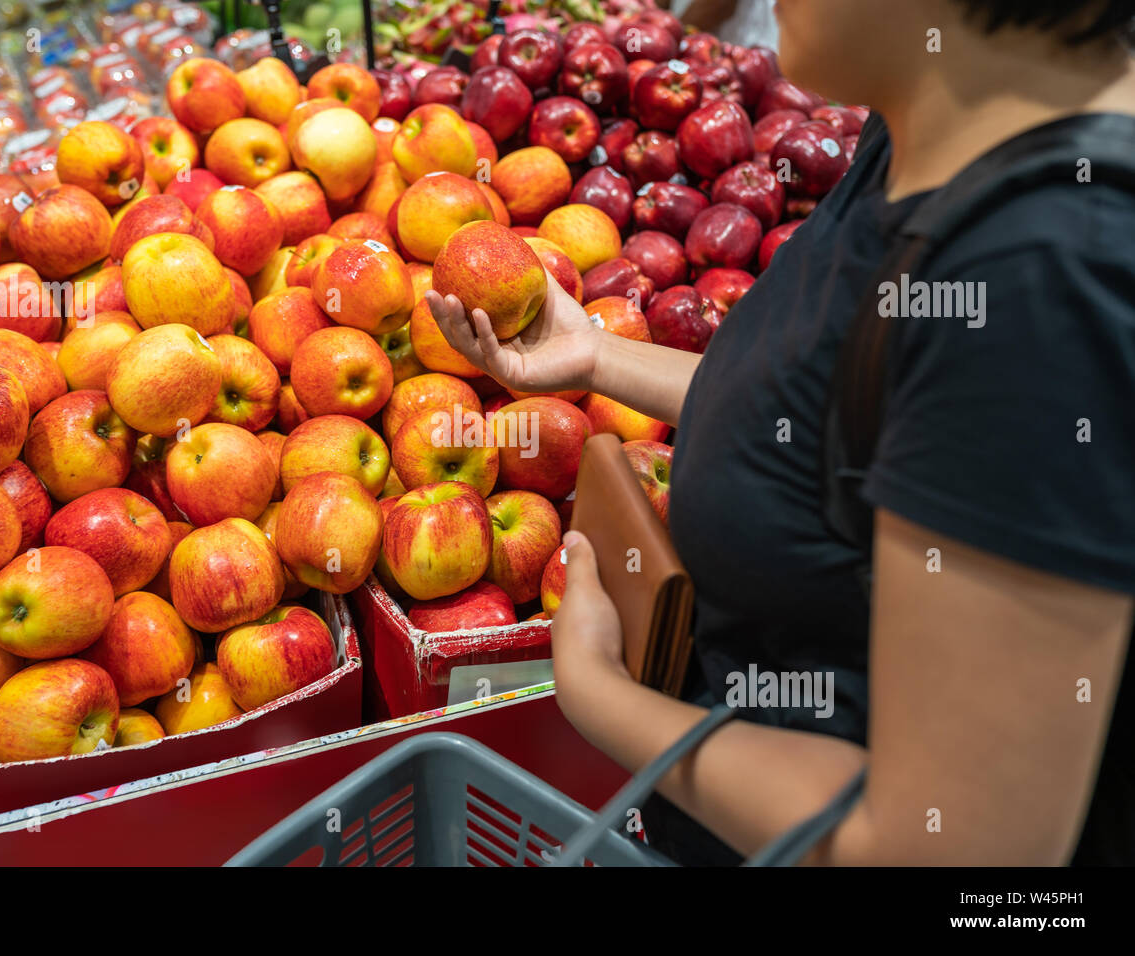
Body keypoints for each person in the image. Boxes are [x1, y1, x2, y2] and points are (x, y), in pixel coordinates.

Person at [426, 0, 1135, 865]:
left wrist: (604, 696)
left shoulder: (1045, 276)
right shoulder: (922, 132)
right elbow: (841, 420)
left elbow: (951, 852)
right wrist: (599, 359)